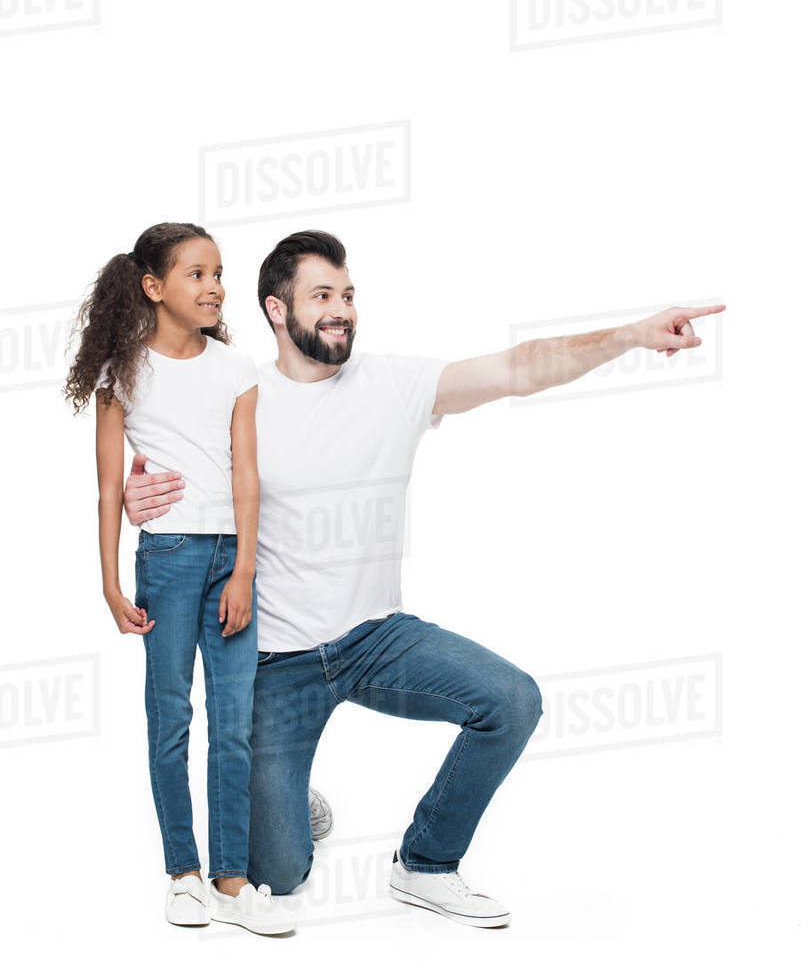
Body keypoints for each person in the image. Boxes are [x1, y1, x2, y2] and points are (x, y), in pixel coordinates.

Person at [121, 229, 725, 929]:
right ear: (277, 310)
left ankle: (426, 864)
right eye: (322, 296)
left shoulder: (395, 384)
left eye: (347, 294)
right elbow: (176, 486)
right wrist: (144, 499)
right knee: (278, 875)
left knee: (511, 700)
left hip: (378, 637)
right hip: (275, 661)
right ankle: (290, 802)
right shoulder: (239, 393)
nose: (341, 308)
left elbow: (520, 367)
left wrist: (630, 334)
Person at [64, 221, 293, 935]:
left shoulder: (236, 368)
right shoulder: (122, 372)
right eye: (196, 274)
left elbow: (245, 474)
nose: (214, 286)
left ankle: (231, 880)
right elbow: (108, 489)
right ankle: (183, 875)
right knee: (170, 718)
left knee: (232, 725)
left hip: (230, 558)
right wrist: (108, 584)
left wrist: (245, 568)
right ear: (153, 287)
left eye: (219, 273)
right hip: (164, 559)